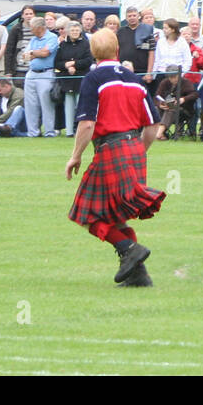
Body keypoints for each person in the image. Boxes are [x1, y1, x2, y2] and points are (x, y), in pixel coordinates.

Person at [65, 28, 165, 288]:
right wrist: (138, 151)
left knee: (87, 214)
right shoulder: (135, 79)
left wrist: (75, 156)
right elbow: (153, 126)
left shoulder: (94, 78)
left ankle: (129, 248)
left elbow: (87, 124)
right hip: (135, 149)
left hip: (110, 149)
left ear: (93, 53)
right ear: (117, 50)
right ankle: (138, 275)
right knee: (116, 215)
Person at [55, 20, 94, 137]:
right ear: (68, 31)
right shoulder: (62, 45)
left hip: (81, 79)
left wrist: (74, 65)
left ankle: (80, 130)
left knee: (80, 105)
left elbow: (88, 60)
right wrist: (66, 66)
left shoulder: (85, 44)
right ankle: (69, 131)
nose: (75, 32)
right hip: (67, 80)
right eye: (72, 30)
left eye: (77, 30)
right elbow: (57, 63)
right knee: (68, 106)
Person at [23, 15, 60, 138]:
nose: (30, 30)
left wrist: (34, 53)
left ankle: (49, 132)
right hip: (32, 73)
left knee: (46, 104)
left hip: (46, 73)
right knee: (30, 105)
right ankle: (32, 132)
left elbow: (46, 53)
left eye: (32, 27)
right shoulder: (33, 40)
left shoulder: (52, 37)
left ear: (39, 28)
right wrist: (36, 53)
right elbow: (25, 56)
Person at [154, 69, 198, 139]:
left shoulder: (186, 82)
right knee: (156, 109)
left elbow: (194, 94)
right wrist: (160, 104)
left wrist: (183, 99)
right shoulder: (164, 83)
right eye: (171, 77)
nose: (173, 79)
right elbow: (157, 96)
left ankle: (158, 134)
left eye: (175, 77)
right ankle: (160, 133)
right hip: (168, 108)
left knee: (171, 110)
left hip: (184, 110)